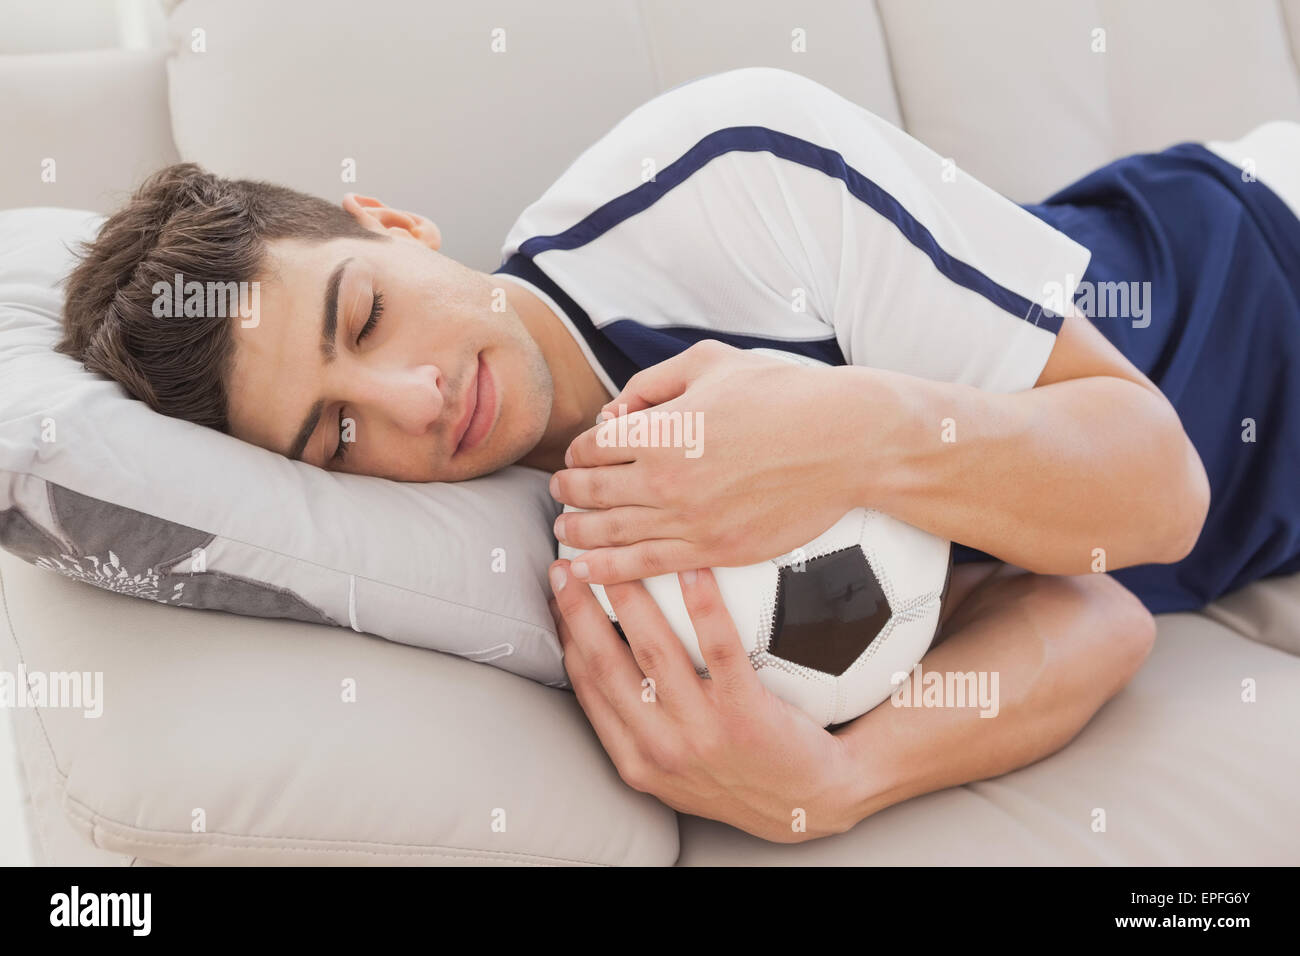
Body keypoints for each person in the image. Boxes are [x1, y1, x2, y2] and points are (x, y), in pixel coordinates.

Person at [57, 67, 1300, 842]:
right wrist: (833, 781)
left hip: (1264, 249)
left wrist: (844, 432)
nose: (413, 399)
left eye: (365, 313)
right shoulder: (594, 554)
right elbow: (1102, 613)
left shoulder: (725, 172)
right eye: (335, 432)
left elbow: (1160, 487)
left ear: (392, 224)